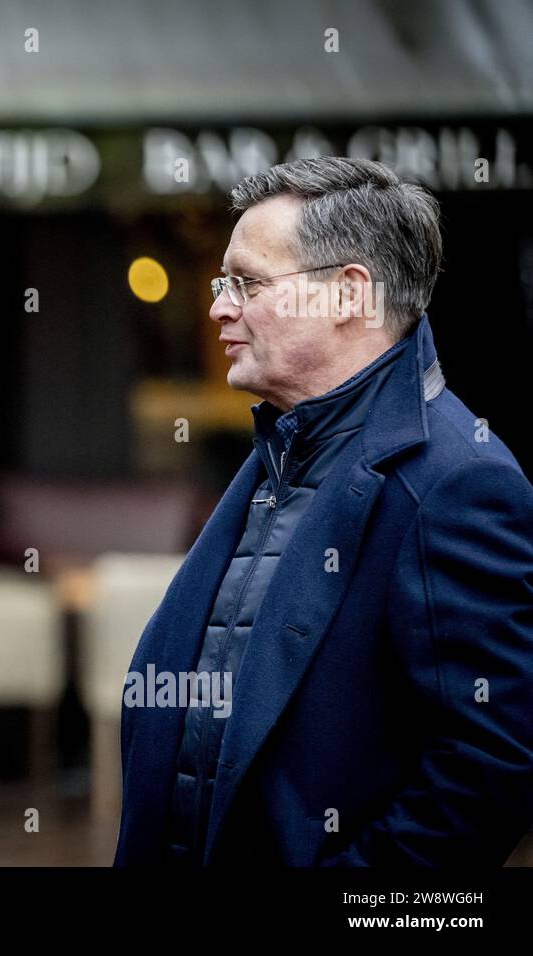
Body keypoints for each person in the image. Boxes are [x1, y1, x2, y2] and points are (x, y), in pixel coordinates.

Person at [115, 156, 533, 866]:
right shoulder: (286, 445)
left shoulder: (462, 483)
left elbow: (492, 763)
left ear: (348, 295)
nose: (218, 306)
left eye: (246, 282)